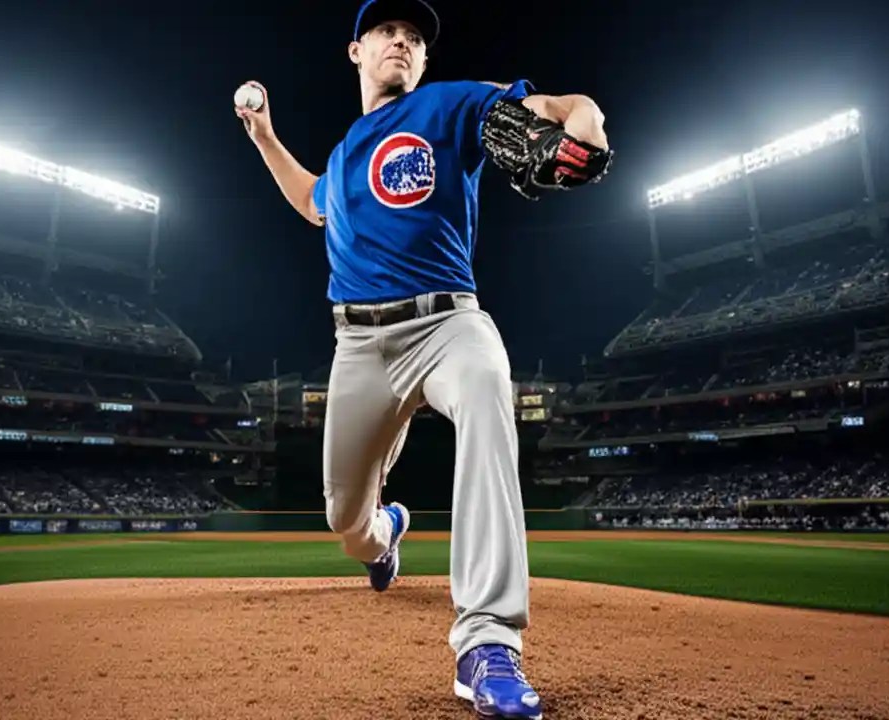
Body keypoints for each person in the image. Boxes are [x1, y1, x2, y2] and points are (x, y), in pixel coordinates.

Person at [236, 1, 609, 717]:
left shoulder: (448, 106)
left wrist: (583, 114)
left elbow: (551, 107)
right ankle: (385, 536)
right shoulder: (346, 153)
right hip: (357, 347)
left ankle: (488, 641)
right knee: (345, 520)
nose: (402, 42)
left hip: (447, 324)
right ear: (357, 51)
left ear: (425, 58)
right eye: (387, 31)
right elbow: (312, 202)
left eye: (413, 37)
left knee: (488, 386)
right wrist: (264, 136)